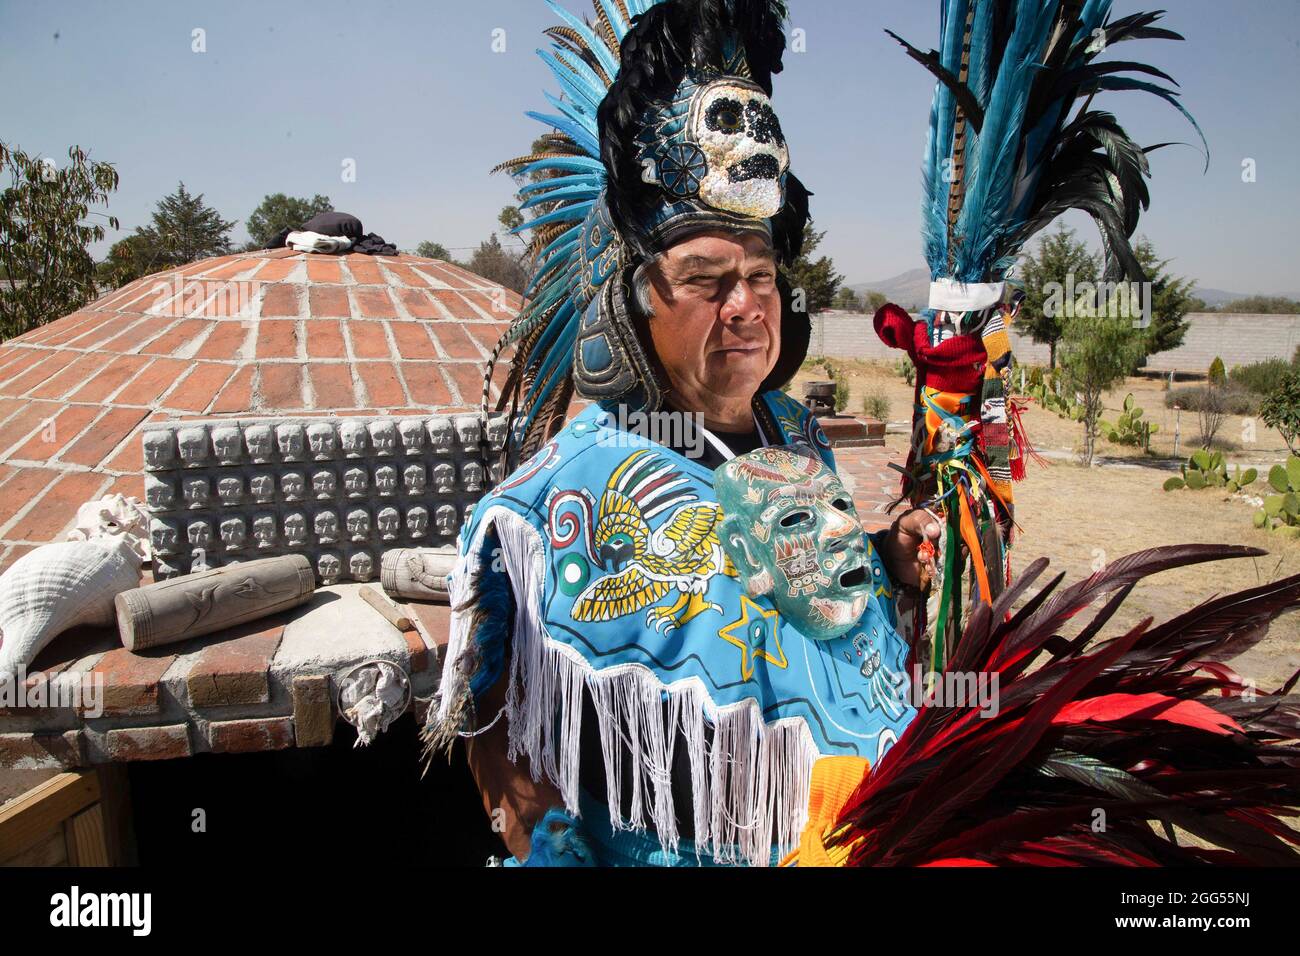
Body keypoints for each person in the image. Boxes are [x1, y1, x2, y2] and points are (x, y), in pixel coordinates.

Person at [425, 0, 936, 867]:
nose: (745, 308)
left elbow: (804, 586)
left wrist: (885, 556)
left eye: (762, 277)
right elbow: (497, 735)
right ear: (634, 303)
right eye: (705, 280)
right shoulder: (554, 503)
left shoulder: (796, 434)